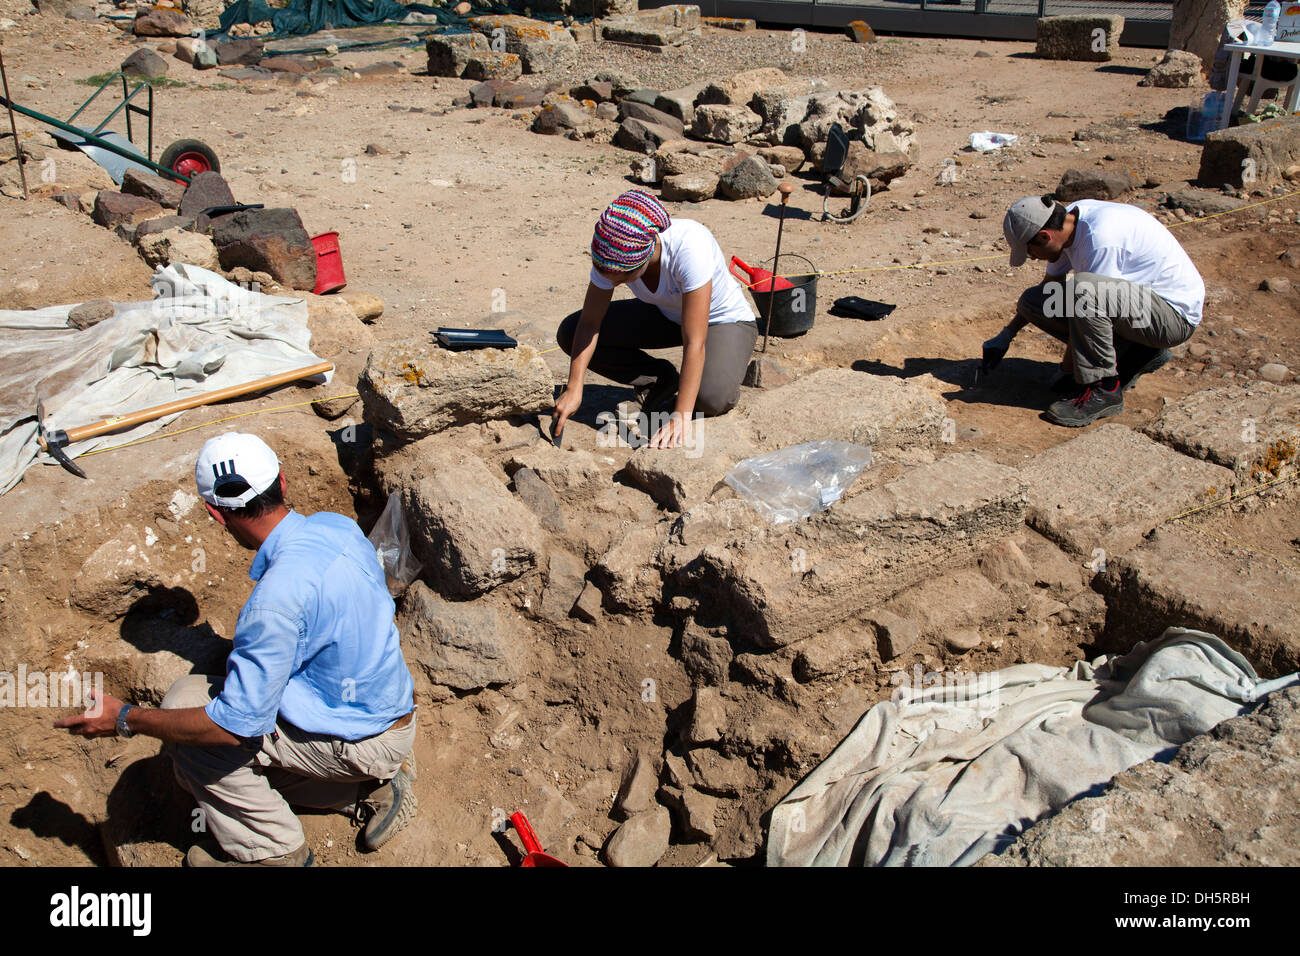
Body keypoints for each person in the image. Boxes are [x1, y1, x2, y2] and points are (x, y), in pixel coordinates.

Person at [56, 432, 418, 867]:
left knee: (193, 745)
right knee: (189, 704)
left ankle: (277, 852)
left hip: (365, 741)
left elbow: (233, 730)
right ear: (282, 483)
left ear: (215, 512)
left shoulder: (273, 604)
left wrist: (127, 719)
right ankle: (363, 791)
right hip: (389, 712)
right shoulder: (334, 526)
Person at [552, 189, 760, 449]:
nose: (612, 282)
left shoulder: (690, 247)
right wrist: (574, 386)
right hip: (666, 314)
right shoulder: (611, 253)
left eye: (622, 278)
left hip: (722, 321)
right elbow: (589, 323)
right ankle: (659, 379)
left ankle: (682, 396)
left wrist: (680, 416)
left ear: (644, 256)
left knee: (712, 397)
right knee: (570, 333)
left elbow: (694, 342)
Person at [984, 194, 1204, 427]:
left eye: (1031, 252)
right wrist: (1008, 333)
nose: (1034, 258)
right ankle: (1140, 352)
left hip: (1171, 318)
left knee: (1084, 290)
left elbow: (1091, 307)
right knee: (1033, 301)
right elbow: (1050, 287)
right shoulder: (1068, 220)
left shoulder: (1101, 239)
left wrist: (1069, 372)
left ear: (1044, 236)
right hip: (1139, 309)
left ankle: (1104, 389)